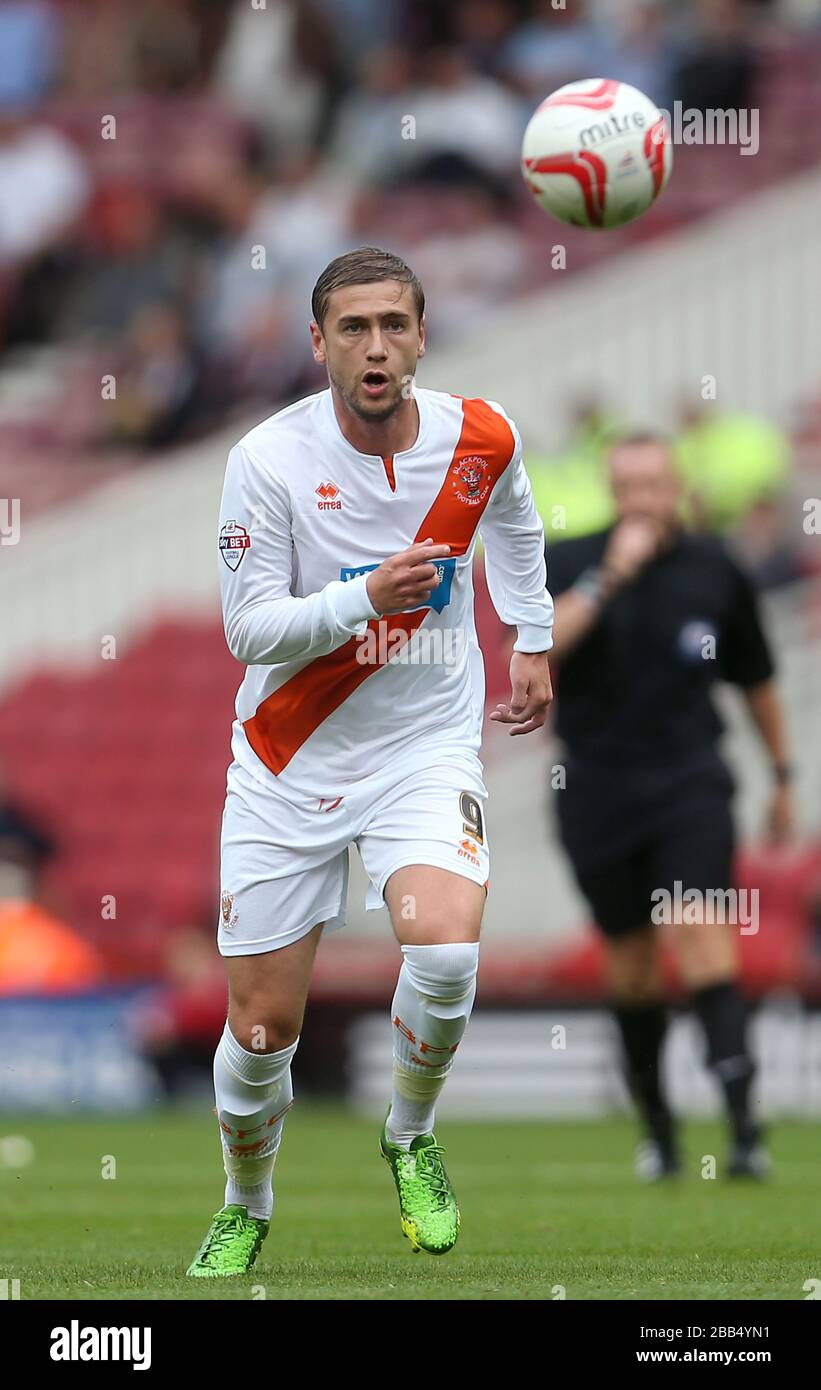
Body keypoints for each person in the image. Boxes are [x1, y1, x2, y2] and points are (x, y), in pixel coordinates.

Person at [186, 246, 554, 1276]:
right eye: (353, 328)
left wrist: (529, 634)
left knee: (442, 950)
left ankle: (406, 1135)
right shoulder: (265, 458)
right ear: (318, 343)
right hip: (287, 755)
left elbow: (516, 519)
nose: (376, 345)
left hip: (421, 747)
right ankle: (246, 1201)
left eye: (394, 324)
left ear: (422, 335)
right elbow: (249, 630)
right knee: (262, 1033)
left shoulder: (481, 436)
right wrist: (363, 597)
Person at [546, 433, 793, 1182]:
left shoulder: (715, 568)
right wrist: (609, 576)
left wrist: (782, 775)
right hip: (595, 786)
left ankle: (744, 1130)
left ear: (678, 486)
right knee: (631, 968)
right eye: (627, 487)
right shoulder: (568, 560)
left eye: (655, 486)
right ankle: (658, 1134)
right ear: (611, 490)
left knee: (703, 934)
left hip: (690, 780)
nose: (642, 502)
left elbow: (754, 680)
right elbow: (539, 650)